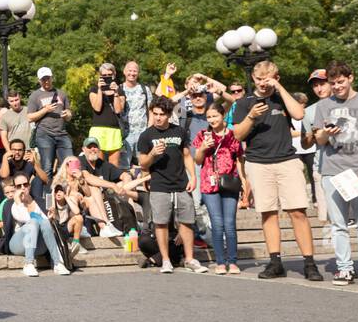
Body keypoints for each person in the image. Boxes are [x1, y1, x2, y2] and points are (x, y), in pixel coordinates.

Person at [233, 60, 323, 281]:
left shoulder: (281, 98)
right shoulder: (245, 103)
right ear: (253, 79)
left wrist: (280, 89)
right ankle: (275, 262)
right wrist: (252, 116)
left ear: (276, 77)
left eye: (268, 78)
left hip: (287, 160)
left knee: (298, 211)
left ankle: (309, 263)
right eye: (259, 79)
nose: (263, 83)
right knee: (268, 212)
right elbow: (237, 135)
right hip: (258, 162)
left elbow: (299, 114)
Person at [307, 61, 358, 287]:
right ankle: (344, 268)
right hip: (333, 170)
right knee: (338, 224)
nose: (336, 87)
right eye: (332, 83)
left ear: (351, 78)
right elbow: (320, 141)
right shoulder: (324, 105)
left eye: (340, 82)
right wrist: (325, 132)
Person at [138, 95, 208, 274]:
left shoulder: (179, 131)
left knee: (187, 221)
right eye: (155, 114)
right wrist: (153, 153)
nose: (158, 117)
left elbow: (186, 156)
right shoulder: (146, 135)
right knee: (160, 223)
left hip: (181, 183)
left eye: (162, 114)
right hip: (159, 185)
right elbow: (143, 164)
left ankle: (190, 258)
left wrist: (193, 177)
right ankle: (166, 260)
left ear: (169, 114)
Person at [193, 103, 244, 274]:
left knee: (229, 223)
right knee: (217, 223)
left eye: (215, 116)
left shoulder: (233, 135)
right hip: (209, 183)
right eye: (209, 117)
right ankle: (220, 261)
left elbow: (239, 159)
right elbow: (198, 161)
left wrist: (245, 181)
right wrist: (203, 148)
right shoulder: (203, 135)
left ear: (223, 116)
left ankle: (233, 261)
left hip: (230, 181)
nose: (212, 120)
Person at [0, 175, 71, 277]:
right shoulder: (11, 204)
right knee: (33, 222)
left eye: (25, 184)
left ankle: (58, 263)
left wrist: (51, 218)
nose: (23, 187)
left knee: (46, 222)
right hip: (18, 244)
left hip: (39, 245)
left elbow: (46, 226)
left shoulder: (39, 201)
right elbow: (26, 219)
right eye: (19, 186)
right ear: (15, 188)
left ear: (29, 185)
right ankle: (29, 264)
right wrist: (19, 202)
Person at [27, 67, 73, 178]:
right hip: (44, 135)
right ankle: (45, 193)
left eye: (48, 78)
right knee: (47, 167)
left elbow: (69, 115)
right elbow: (29, 117)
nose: (46, 81)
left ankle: (67, 192)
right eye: (43, 79)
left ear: (52, 78)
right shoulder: (35, 96)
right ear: (39, 81)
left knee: (71, 165)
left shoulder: (61, 94)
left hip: (62, 134)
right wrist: (45, 110)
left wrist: (67, 114)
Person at [302, 69, 333, 220]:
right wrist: (313, 135)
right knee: (327, 217)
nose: (319, 89)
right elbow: (305, 144)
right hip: (322, 165)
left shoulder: (349, 105)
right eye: (315, 86)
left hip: (350, 164)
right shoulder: (308, 112)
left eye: (322, 84)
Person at [119, 60, 153, 168]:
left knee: (144, 165)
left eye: (135, 71)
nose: (132, 73)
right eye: (130, 70)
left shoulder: (145, 89)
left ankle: (145, 185)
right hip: (124, 135)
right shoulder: (118, 89)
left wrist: (149, 129)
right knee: (124, 166)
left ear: (138, 73)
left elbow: (151, 110)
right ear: (124, 72)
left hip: (142, 133)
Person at [88, 62, 124, 165]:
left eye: (109, 75)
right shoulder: (94, 89)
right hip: (98, 130)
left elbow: (118, 110)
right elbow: (97, 108)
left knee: (114, 166)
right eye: (104, 75)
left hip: (114, 131)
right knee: (98, 165)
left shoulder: (120, 91)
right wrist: (100, 89)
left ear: (114, 74)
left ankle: (113, 182)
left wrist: (116, 92)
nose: (107, 77)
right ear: (100, 76)